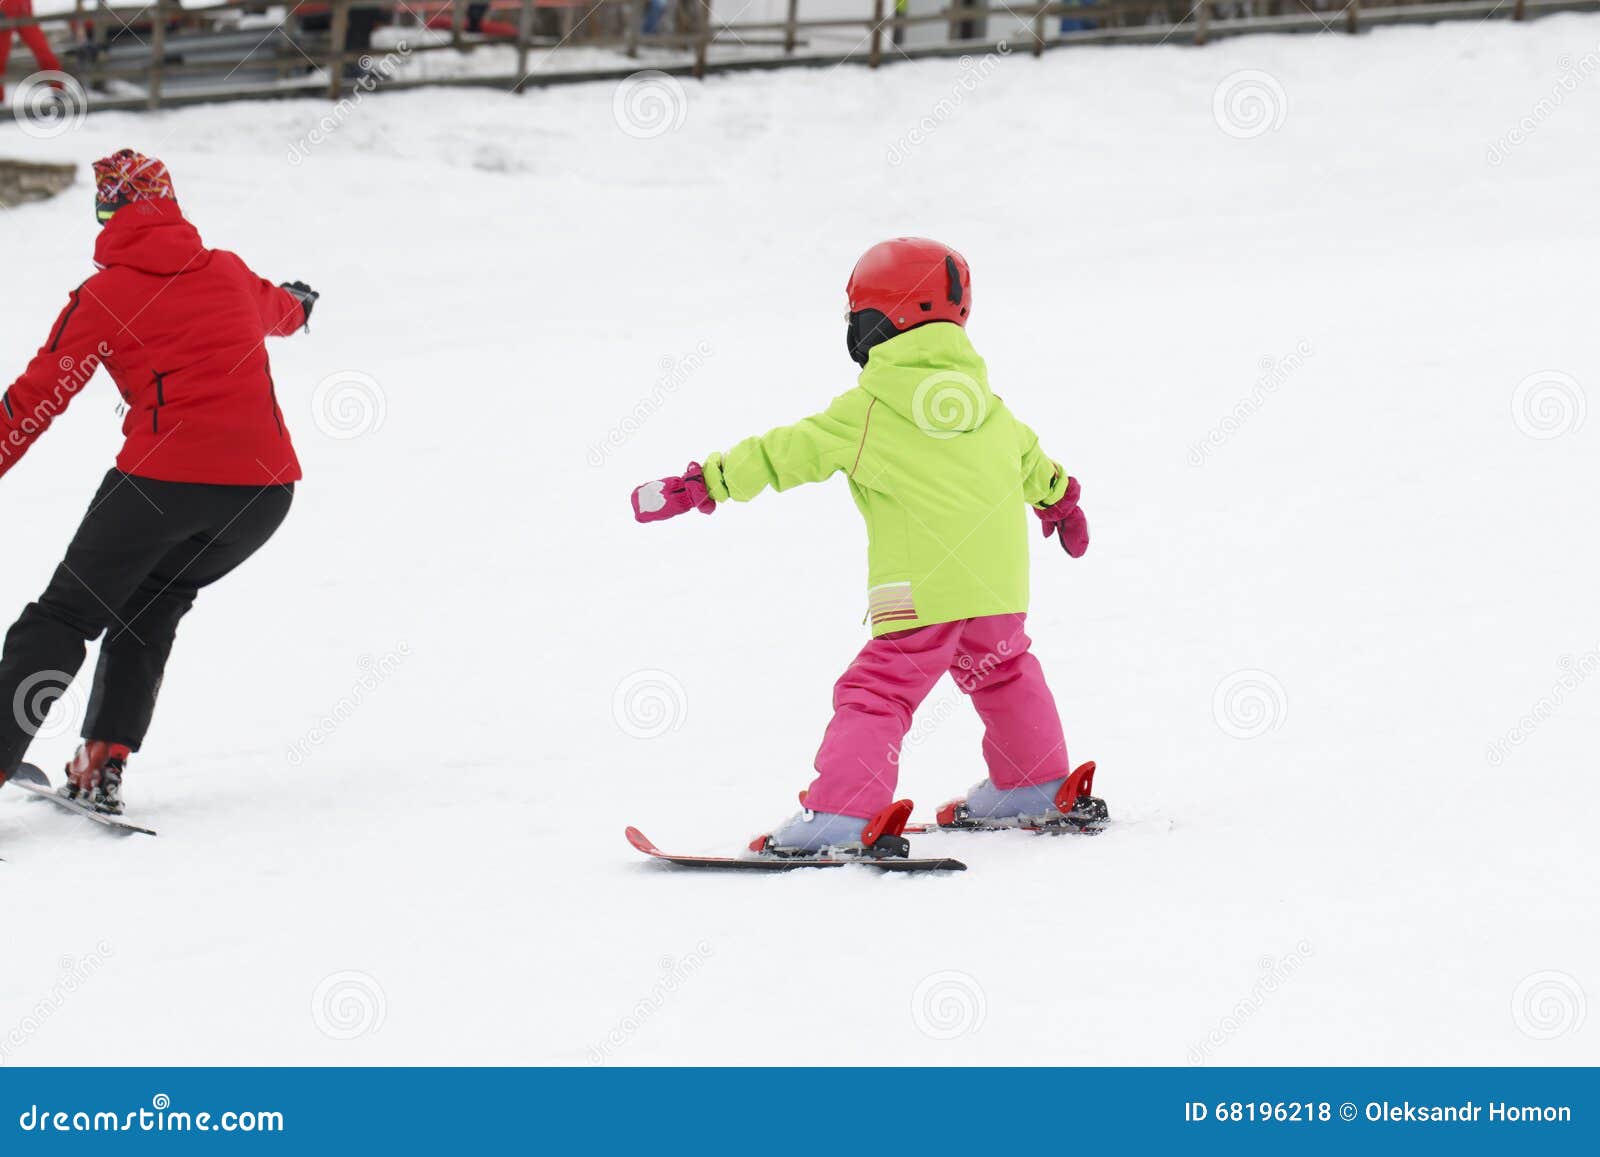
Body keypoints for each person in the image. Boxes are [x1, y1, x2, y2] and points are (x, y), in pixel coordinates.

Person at [630, 238, 1097, 856]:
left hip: (922, 588)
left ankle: (844, 815)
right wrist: (1059, 500)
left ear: (881, 321)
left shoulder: (871, 409)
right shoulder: (988, 405)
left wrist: (705, 482)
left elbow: (783, 452)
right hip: (999, 587)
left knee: (878, 692)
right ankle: (1035, 784)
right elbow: (1035, 461)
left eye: (857, 317)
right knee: (1003, 671)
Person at [0, 149, 318, 815]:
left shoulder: (103, 295)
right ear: (171, 206)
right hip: (265, 494)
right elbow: (280, 311)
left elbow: (36, 401)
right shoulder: (226, 270)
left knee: (61, 617)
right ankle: (99, 765)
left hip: (162, 484)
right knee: (149, 602)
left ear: (105, 214)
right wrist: (298, 302)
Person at [0, 0, 62, 103]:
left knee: (43, 52)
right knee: (0, 57)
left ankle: (59, 92)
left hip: (23, 8)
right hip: (5, 9)